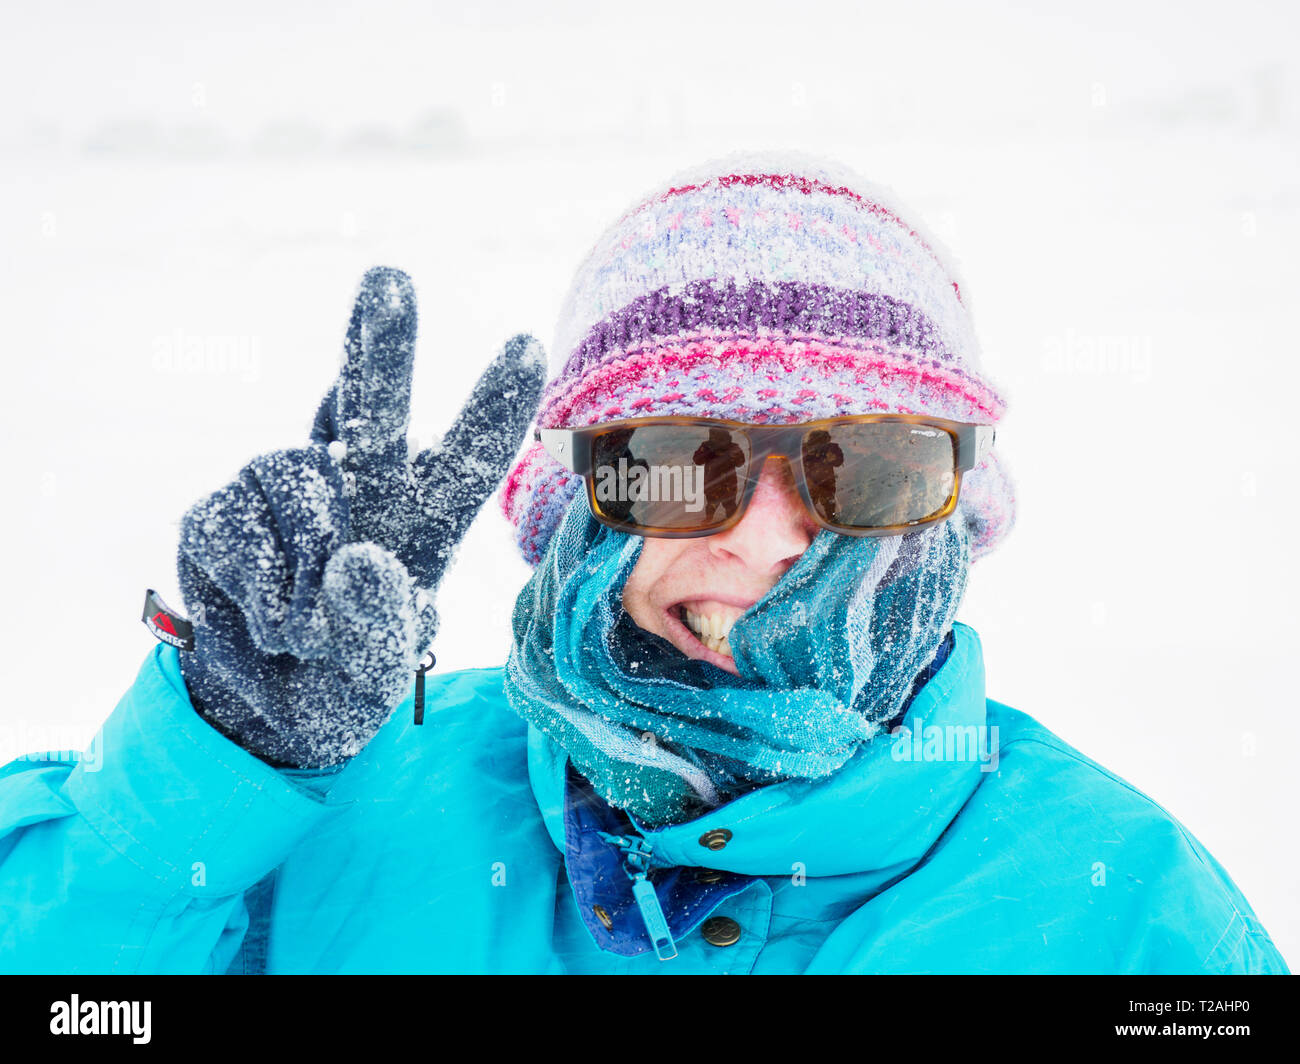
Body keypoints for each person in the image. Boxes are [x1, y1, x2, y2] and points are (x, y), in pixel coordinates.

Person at [0, 152, 1287, 974]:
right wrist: (209, 778)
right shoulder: (330, 814)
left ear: (958, 510)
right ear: (569, 501)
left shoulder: (1126, 915)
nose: (765, 537)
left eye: (871, 466)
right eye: (677, 460)